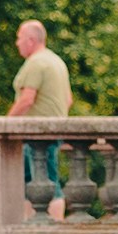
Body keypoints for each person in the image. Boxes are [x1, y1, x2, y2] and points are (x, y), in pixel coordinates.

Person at [8, 15, 76, 216]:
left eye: (19, 38)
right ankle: (34, 226)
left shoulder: (36, 63)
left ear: (31, 40)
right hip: (54, 130)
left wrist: (5, 124)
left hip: (38, 134)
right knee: (38, 181)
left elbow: (27, 100)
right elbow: (68, 100)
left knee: (47, 183)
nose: (17, 43)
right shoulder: (56, 61)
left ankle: (53, 229)